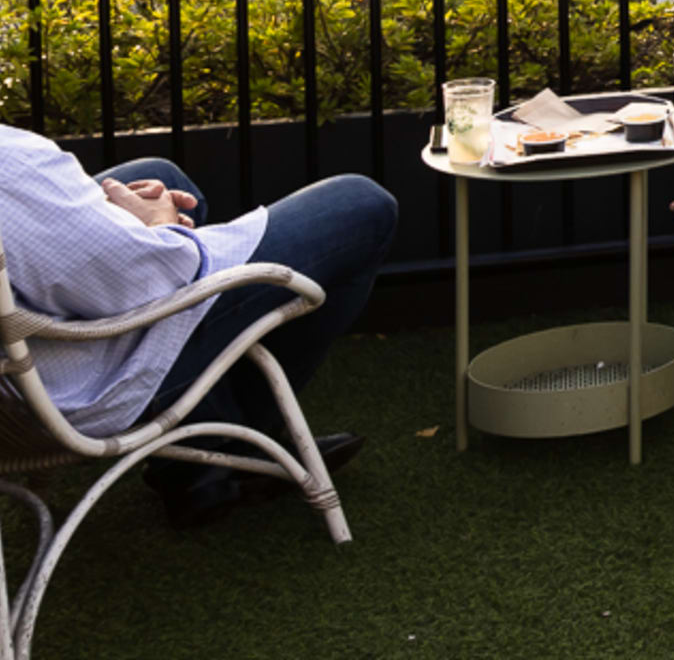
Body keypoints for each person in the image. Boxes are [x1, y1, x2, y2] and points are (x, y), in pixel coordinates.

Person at [0, 132, 396, 526]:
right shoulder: (10, 162)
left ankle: (199, 457)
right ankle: (234, 450)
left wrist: (120, 222)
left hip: (21, 375)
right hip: (70, 389)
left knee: (160, 177)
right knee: (364, 205)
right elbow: (148, 279)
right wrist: (162, 226)